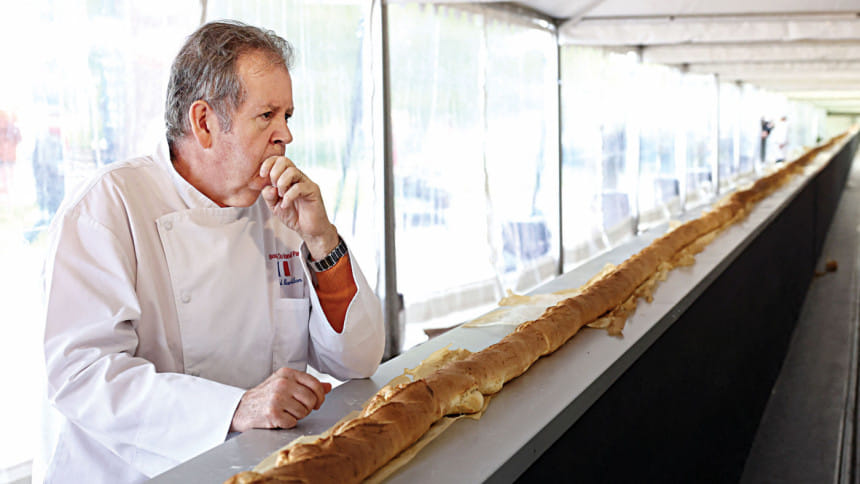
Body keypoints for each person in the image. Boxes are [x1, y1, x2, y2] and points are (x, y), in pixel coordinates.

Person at [35, 21, 385, 484]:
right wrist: (235, 407)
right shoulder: (108, 207)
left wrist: (322, 239)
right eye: (267, 116)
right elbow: (83, 377)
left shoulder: (279, 209)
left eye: (288, 116)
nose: (285, 136)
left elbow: (357, 361)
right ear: (203, 123)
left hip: (258, 468)